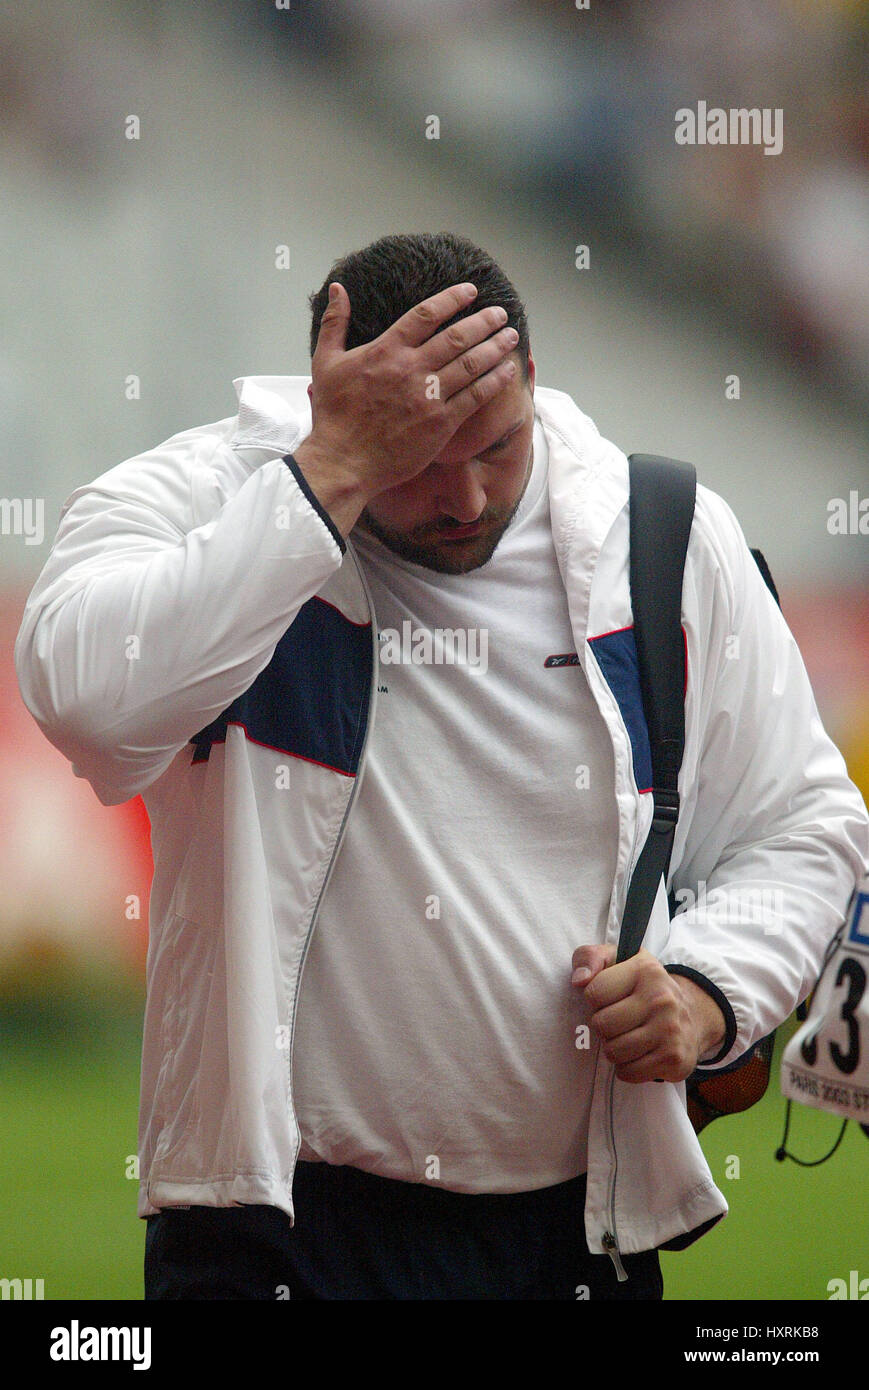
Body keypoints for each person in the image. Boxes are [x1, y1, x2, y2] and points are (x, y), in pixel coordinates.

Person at [14, 232, 869, 1301]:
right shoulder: (202, 499)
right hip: (267, 1231)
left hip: (576, 1234)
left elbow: (800, 824)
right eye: (414, 457)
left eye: (495, 445)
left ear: (533, 379)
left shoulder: (661, 535)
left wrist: (705, 990)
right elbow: (89, 706)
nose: (461, 495)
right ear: (333, 400)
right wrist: (325, 478)